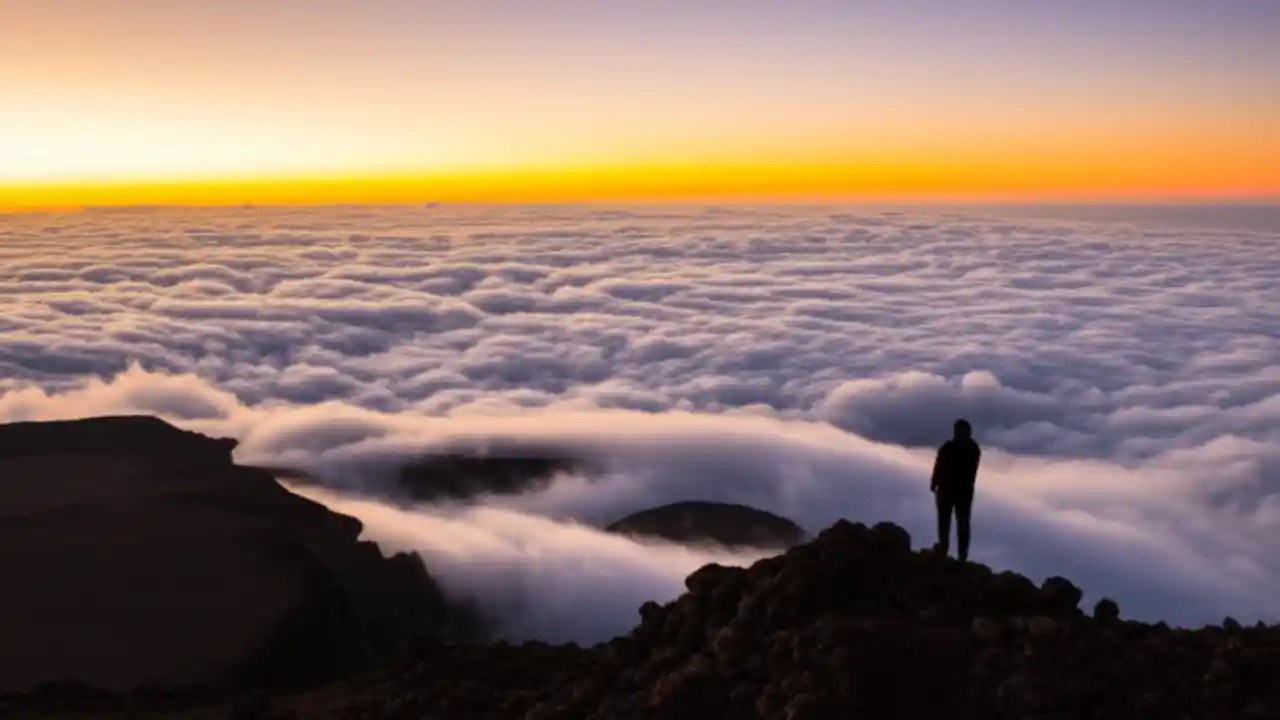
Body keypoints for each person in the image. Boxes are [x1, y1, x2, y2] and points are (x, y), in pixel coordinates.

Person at [930, 418, 981, 561]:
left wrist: (935, 483)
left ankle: (945, 550)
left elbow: (939, 466)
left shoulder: (949, 447)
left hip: (949, 491)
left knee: (946, 523)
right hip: (963, 493)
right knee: (961, 525)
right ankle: (960, 555)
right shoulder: (973, 449)